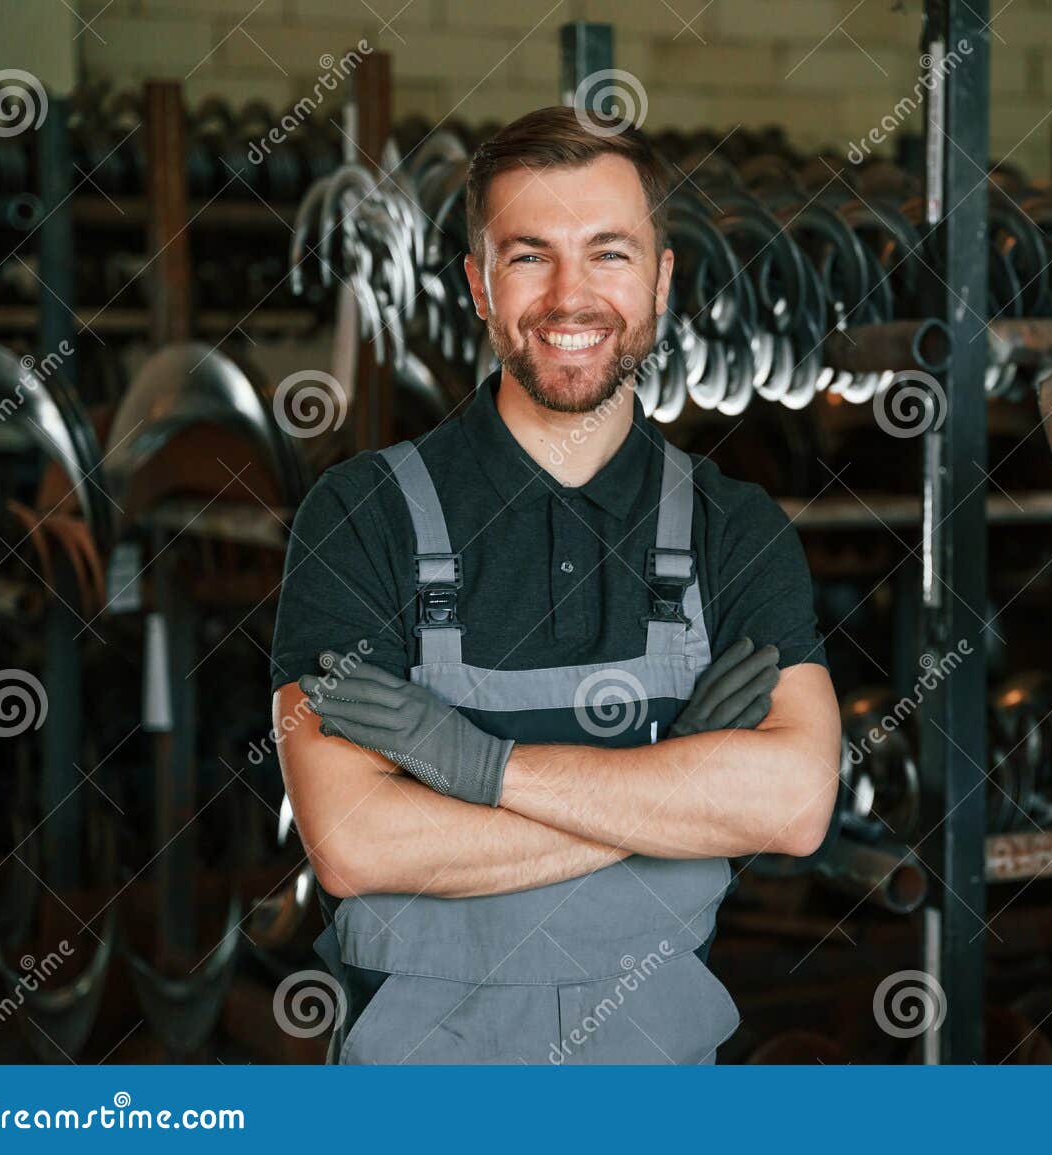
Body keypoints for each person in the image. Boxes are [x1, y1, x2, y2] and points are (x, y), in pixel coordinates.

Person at [270, 105, 842, 1065]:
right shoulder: (362, 516)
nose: (571, 298)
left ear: (661, 280)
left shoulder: (731, 528)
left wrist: (479, 765)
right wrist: (678, 792)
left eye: (609, 254)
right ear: (479, 286)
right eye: (530, 255)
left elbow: (792, 804)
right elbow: (354, 840)